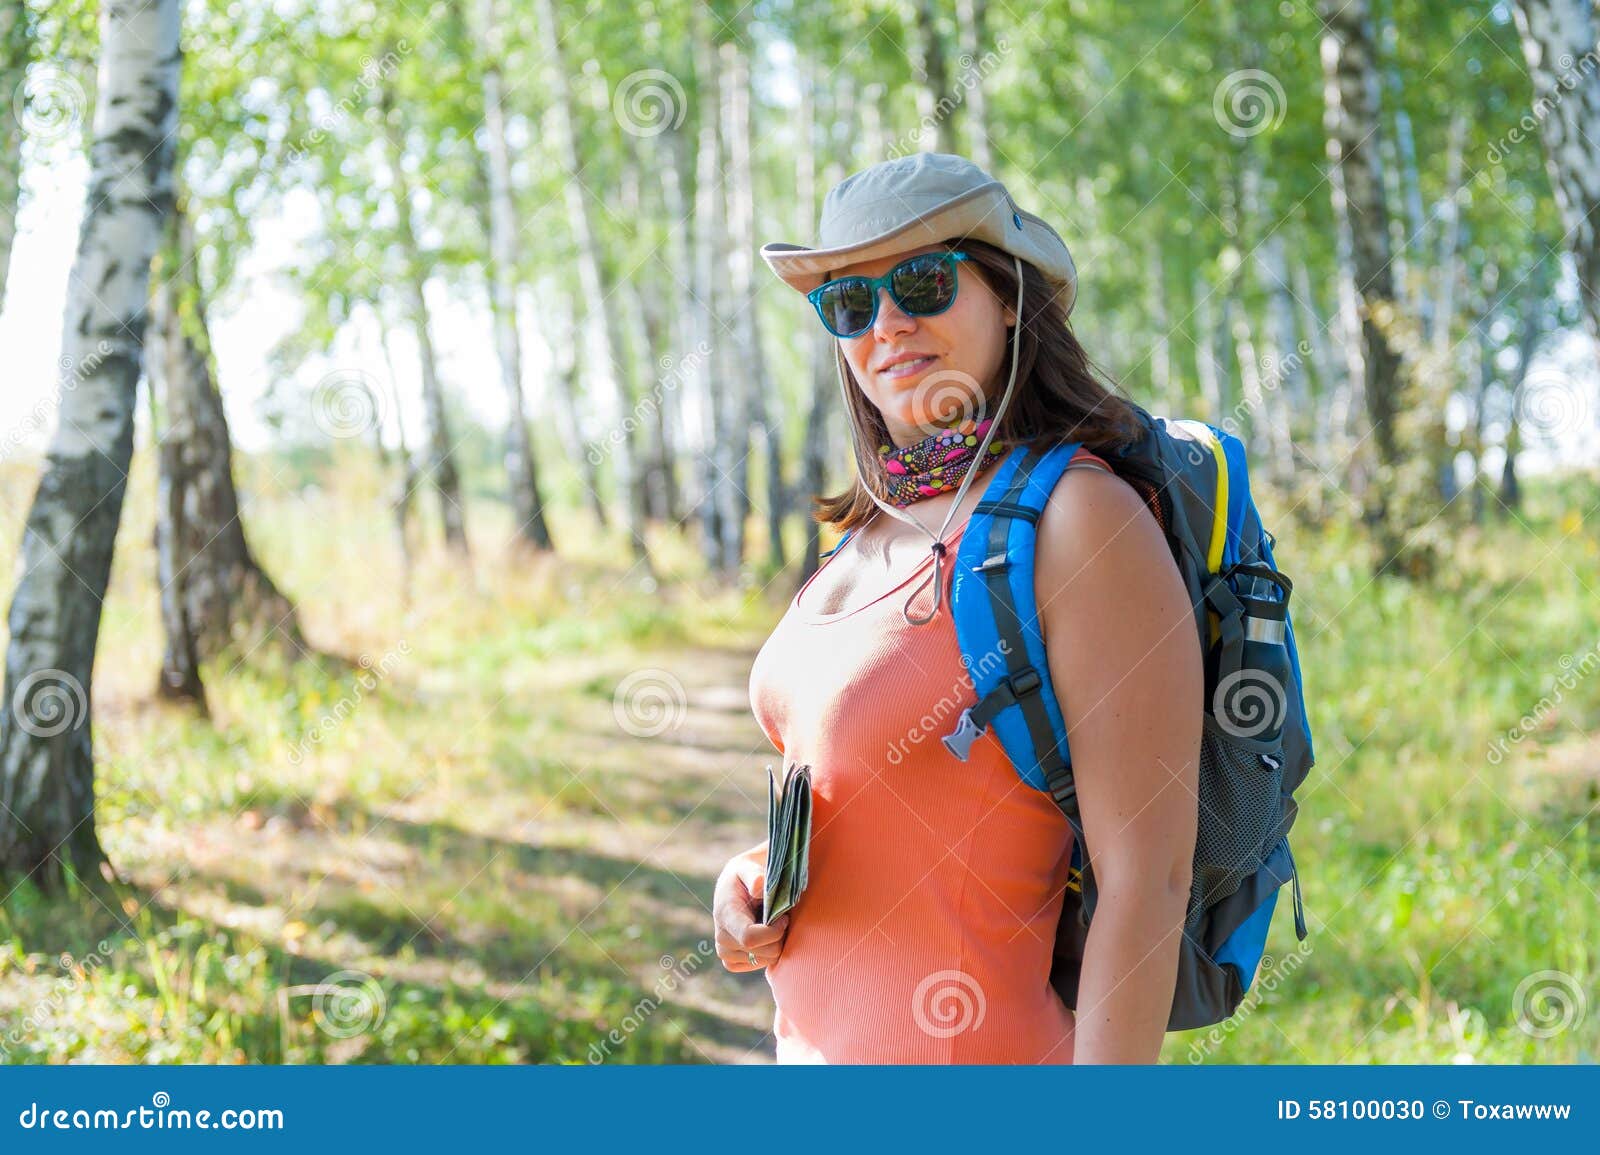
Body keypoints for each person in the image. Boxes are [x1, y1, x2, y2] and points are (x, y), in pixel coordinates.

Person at [712, 153, 1202, 1064]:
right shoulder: (862, 534)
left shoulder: (1076, 517)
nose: (887, 323)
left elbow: (1149, 879)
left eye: (924, 282)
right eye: (850, 302)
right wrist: (752, 881)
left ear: (1009, 296)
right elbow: (887, 804)